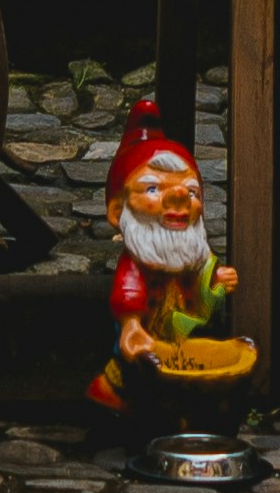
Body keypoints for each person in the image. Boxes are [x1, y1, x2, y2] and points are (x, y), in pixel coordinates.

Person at [89, 98, 233, 412]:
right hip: (144, 338)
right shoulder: (138, 262)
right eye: (153, 189)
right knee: (140, 382)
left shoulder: (189, 259)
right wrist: (130, 326)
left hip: (177, 340)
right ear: (117, 211)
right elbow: (127, 296)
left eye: (191, 192)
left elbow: (202, 287)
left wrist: (215, 281)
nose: (179, 198)